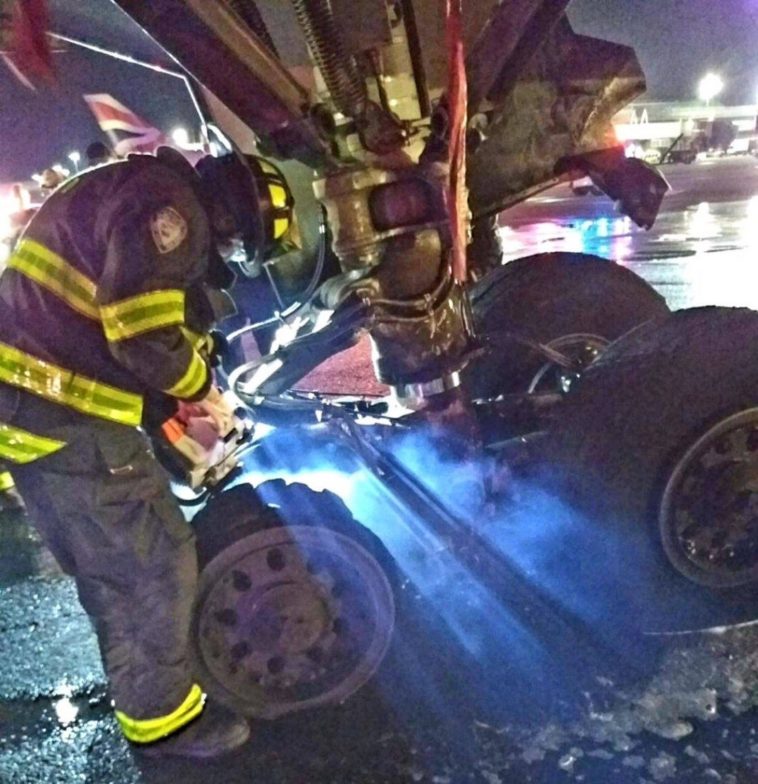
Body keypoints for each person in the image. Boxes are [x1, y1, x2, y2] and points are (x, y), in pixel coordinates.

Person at [0, 146, 260, 758]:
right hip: (64, 419)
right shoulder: (173, 209)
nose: (219, 259)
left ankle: (150, 714)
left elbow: (88, 323)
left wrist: (154, 407)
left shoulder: (129, 185)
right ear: (231, 219)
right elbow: (140, 334)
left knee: (117, 575)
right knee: (155, 566)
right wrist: (204, 391)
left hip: (39, 410)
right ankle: (167, 723)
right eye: (233, 247)